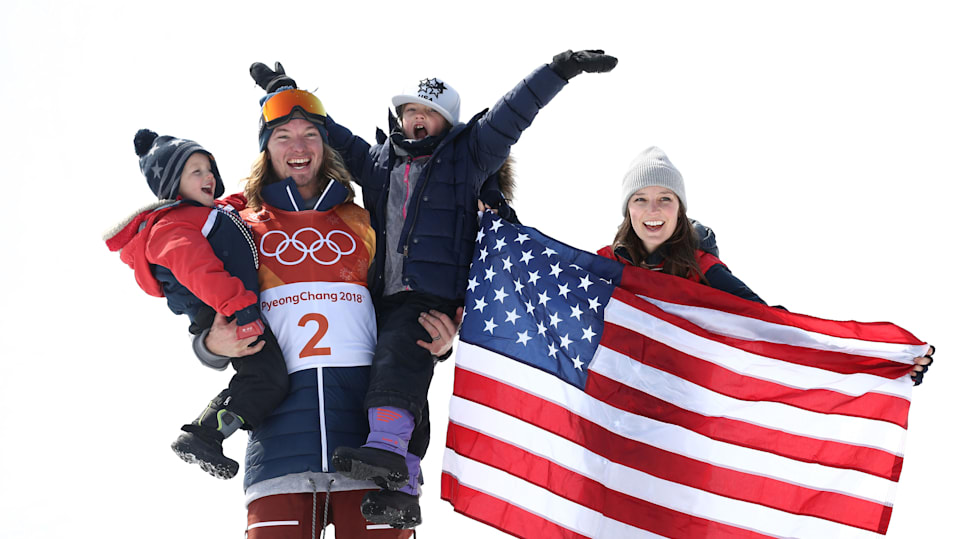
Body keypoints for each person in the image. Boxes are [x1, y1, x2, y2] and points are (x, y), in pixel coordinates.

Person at [250, 49, 619, 528]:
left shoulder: (467, 157)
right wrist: (283, 90)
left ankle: (384, 449)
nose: (417, 119)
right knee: (397, 377)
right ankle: (400, 488)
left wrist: (559, 69)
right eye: (410, 111)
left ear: (448, 123)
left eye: (429, 113)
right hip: (385, 296)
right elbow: (323, 131)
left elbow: (514, 113)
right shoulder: (378, 162)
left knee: (396, 364)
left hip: (430, 294)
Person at [193, 86, 459, 538]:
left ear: (326, 145)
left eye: (310, 135)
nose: (298, 147)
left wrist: (441, 342)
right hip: (279, 448)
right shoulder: (242, 225)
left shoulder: (365, 219)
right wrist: (209, 346)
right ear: (265, 150)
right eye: (283, 137)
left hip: (371, 450)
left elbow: (406, 300)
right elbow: (207, 314)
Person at [600, 146, 935, 382]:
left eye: (665, 199)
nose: (652, 210)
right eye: (640, 199)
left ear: (680, 209)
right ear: (628, 209)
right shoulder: (601, 266)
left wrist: (884, 363)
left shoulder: (702, 270)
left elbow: (772, 327)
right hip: (612, 409)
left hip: (678, 410)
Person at [104, 129, 288, 480]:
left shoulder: (210, 212)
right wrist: (240, 307)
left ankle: (206, 434)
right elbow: (201, 272)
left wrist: (271, 171)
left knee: (265, 377)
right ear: (174, 183)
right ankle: (204, 434)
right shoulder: (173, 226)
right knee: (268, 378)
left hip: (235, 304)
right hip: (224, 309)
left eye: (209, 169)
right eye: (195, 172)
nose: (208, 177)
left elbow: (241, 201)